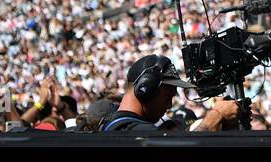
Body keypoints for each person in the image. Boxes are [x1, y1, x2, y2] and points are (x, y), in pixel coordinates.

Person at [101, 55, 238, 132]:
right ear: (146, 89)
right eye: (168, 96)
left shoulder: (110, 124)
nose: (169, 105)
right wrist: (216, 116)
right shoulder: (134, 132)